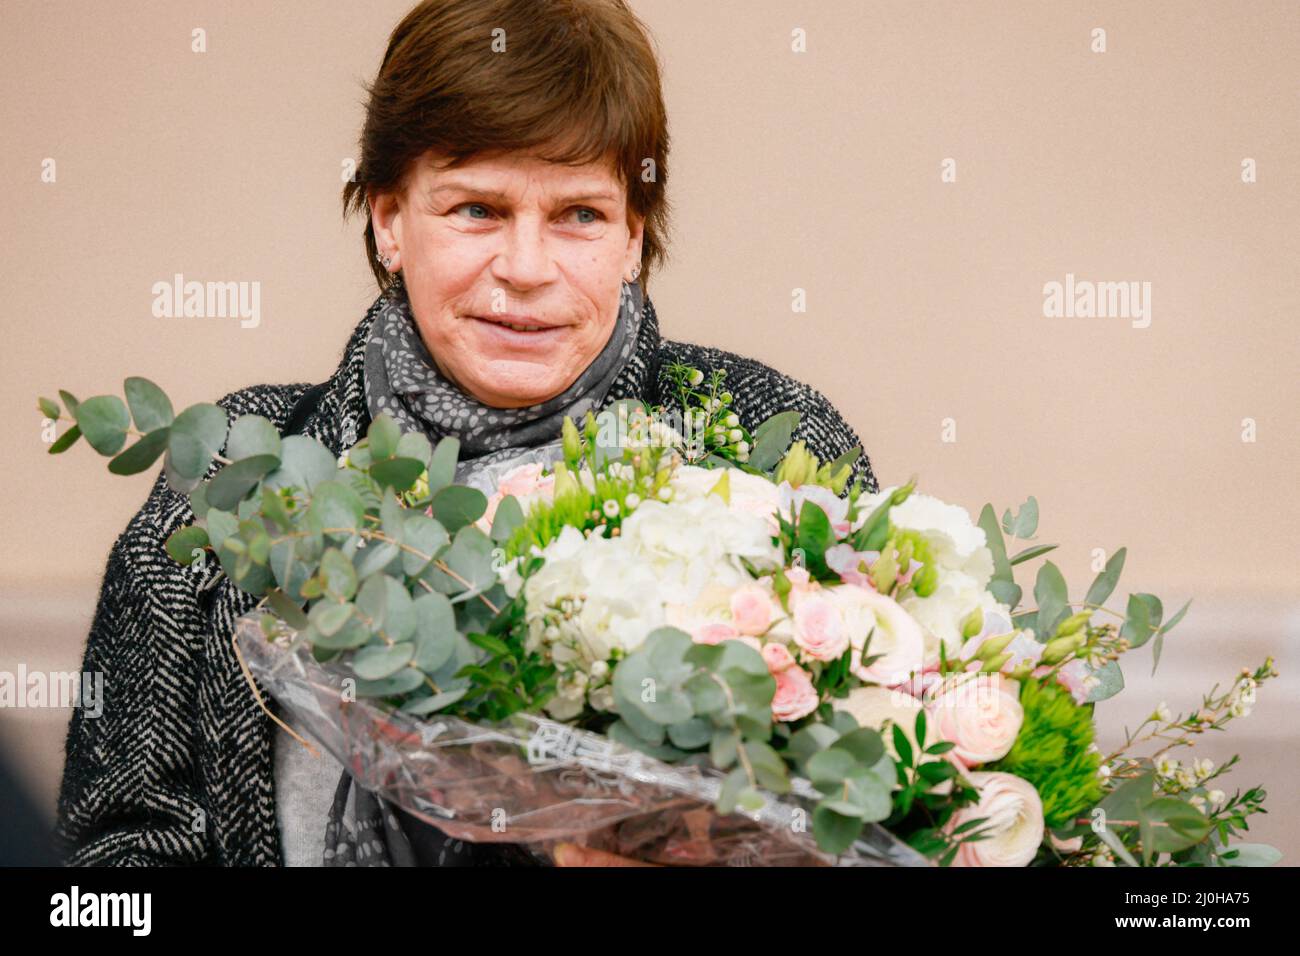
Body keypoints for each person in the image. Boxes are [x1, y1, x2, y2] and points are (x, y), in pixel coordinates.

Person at [54, 0, 877, 866]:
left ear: (635, 234)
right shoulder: (227, 470)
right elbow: (110, 874)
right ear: (388, 220)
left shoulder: (777, 446)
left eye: (581, 215)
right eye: (477, 209)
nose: (525, 269)